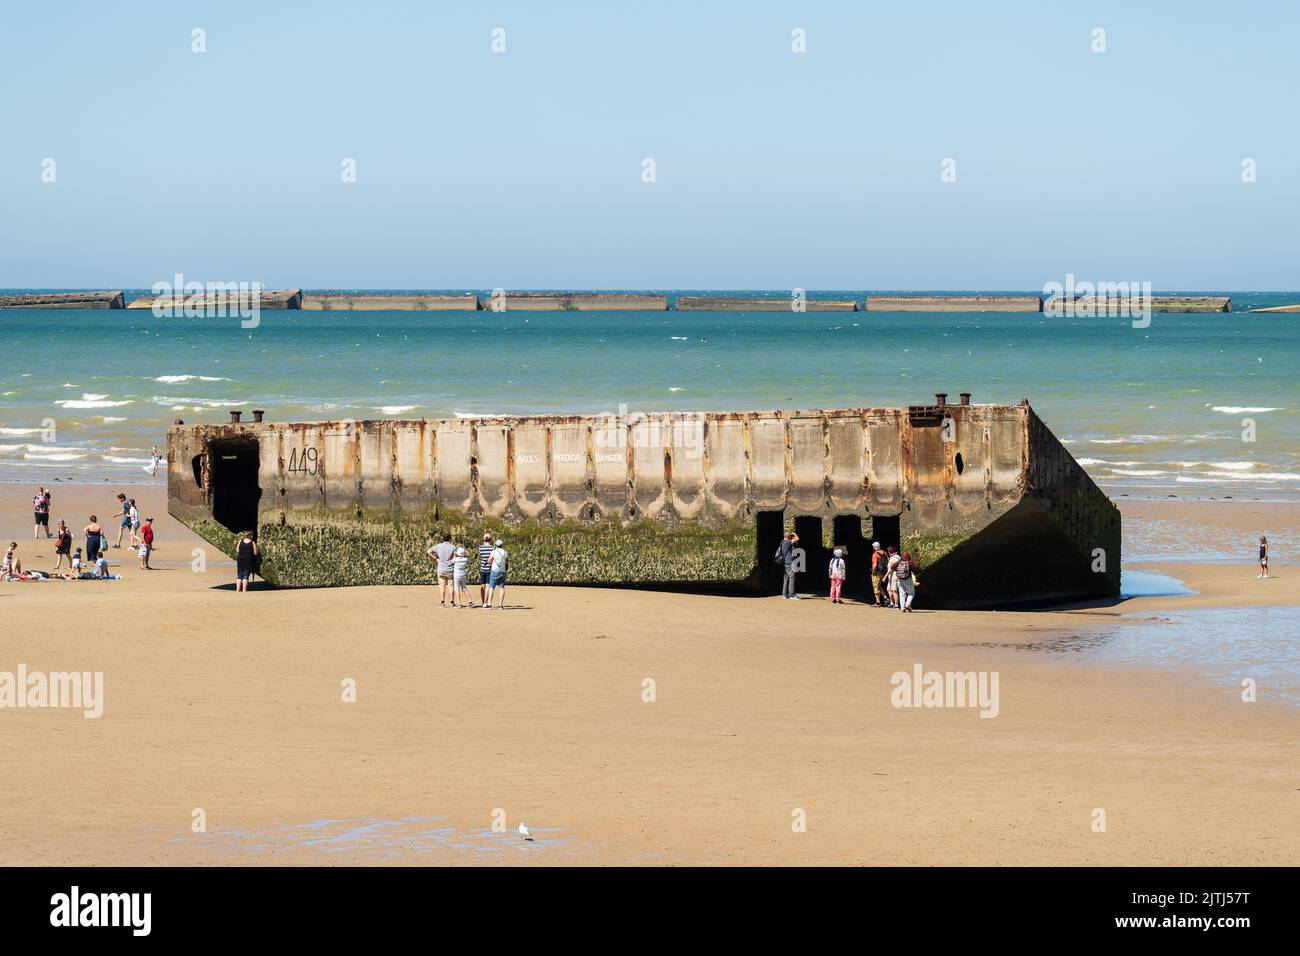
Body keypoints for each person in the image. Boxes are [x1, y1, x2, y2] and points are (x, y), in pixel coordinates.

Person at [426, 533, 456, 607]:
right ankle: (452, 603)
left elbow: (428, 552)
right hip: (450, 569)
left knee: (442, 586)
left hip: (441, 569)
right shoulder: (453, 547)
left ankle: (442, 602)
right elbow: (455, 558)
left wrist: (436, 559)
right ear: (450, 539)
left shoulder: (438, 546)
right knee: (451, 586)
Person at [486, 539, 508, 609]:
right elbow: (506, 561)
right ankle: (500, 605)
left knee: (491, 587)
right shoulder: (505, 552)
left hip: (495, 570)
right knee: (501, 588)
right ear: (502, 545)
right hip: (503, 570)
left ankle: (489, 604)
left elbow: (489, 561)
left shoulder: (493, 552)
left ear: (496, 545)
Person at [777, 531, 800, 600]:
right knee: (792, 578)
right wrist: (794, 534)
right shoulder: (787, 542)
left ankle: (784, 594)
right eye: (790, 536)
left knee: (786, 578)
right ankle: (792, 595)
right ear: (788, 536)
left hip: (785, 562)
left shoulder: (782, 542)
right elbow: (797, 539)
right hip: (790, 562)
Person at [478, 532, 495, 607]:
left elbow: (480, 557)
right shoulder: (492, 548)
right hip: (490, 569)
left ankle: (482, 602)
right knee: (488, 586)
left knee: (482, 585)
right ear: (490, 539)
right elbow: (493, 559)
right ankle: (485, 602)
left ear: (484, 539)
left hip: (482, 569)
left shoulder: (480, 547)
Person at [870, 541, 887, 606]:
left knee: (876, 586)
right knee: (879, 586)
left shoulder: (875, 554)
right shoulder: (884, 552)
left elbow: (874, 565)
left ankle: (878, 602)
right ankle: (886, 598)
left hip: (877, 573)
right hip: (884, 572)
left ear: (874, 547)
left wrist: (873, 572)